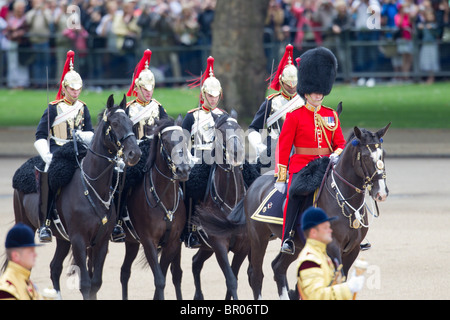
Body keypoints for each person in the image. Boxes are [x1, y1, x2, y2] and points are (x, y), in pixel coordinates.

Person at [274, 47, 346, 255]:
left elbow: (340, 142)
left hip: (327, 164)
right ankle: (287, 237)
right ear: (306, 92)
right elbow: (284, 146)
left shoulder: (331, 114)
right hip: (302, 165)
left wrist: (337, 153)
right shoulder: (294, 116)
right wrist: (281, 177)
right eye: (315, 91)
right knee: (295, 195)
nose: (318, 95)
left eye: (321, 91)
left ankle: (353, 231)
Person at [34, 50, 94, 243]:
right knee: (49, 177)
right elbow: (41, 135)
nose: (76, 92)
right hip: (58, 151)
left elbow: (91, 133)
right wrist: (46, 155)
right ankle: (45, 223)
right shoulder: (53, 107)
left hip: (79, 151)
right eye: (72, 89)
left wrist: (81, 135)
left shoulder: (83, 108)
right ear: (65, 88)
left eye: (78, 89)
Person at [110, 48, 169, 242]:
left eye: (151, 88)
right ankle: (118, 221)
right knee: (121, 180)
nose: (149, 92)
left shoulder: (158, 107)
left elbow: (168, 130)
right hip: (134, 153)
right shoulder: (127, 108)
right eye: (145, 89)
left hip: (155, 151)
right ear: (137, 88)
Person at [182, 56, 225, 248]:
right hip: (198, 159)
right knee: (194, 188)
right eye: (210, 95)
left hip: (219, 159)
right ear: (203, 94)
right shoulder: (192, 116)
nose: (213, 99)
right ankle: (191, 231)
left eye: (216, 96)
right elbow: (182, 142)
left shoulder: (223, 116)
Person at [248, 44, 303, 169]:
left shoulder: (304, 101)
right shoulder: (271, 103)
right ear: (281, 81)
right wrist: (258, 145)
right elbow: (253, 128)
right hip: (274, 146)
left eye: (295, 84)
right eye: (288, 85)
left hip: (300, 146)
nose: (292, 88)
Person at [296, 207, 365, 300]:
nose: (330, 230)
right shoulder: (310, 260)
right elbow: (315, 296)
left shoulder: (323, 255)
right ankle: (288, 236)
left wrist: (350, 290)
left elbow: (330, 289)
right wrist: (348, 288)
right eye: (325, 228)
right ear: (313, 232)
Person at [0, 223, 42, 300]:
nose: (35, 254)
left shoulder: (28, 283)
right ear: (16, 256)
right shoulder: (6, 292)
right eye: (30, 251)